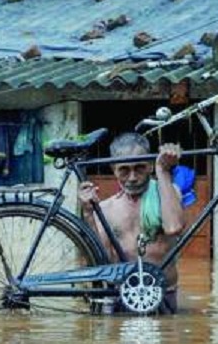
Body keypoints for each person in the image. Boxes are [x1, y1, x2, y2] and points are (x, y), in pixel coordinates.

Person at [77, 132, 185, 313]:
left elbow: (173, 227)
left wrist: (163, 170)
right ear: (113, 169)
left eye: (140, 168)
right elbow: (103, 264)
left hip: (163, 295)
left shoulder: (167, 193)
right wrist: (88, 214)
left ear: (150, 165)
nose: (133, 177)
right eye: (124, 170)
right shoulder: (106, 208)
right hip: (122, 297)